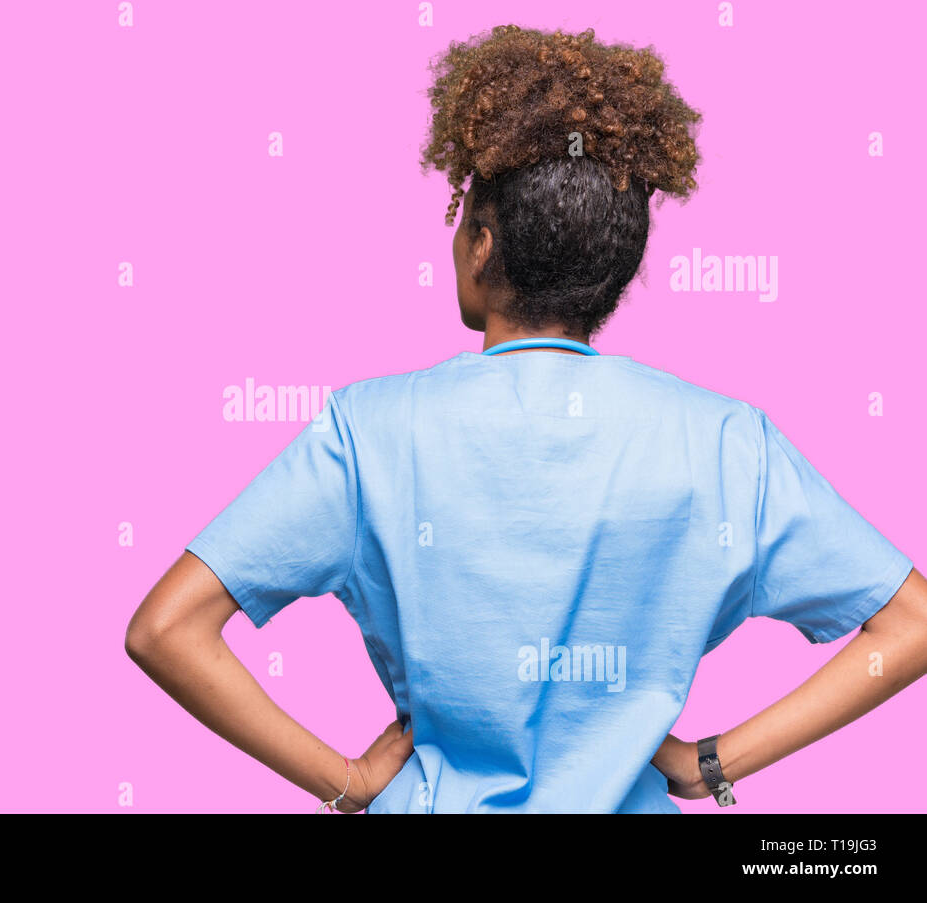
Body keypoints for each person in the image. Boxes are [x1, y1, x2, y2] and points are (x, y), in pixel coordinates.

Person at [124, 24, 927, 813]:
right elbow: (913, 625)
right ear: (617, 264)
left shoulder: (369, 431)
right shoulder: (725, 443)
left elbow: (166, 629)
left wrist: (348, 780)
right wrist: (710, 763)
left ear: (481, 243)